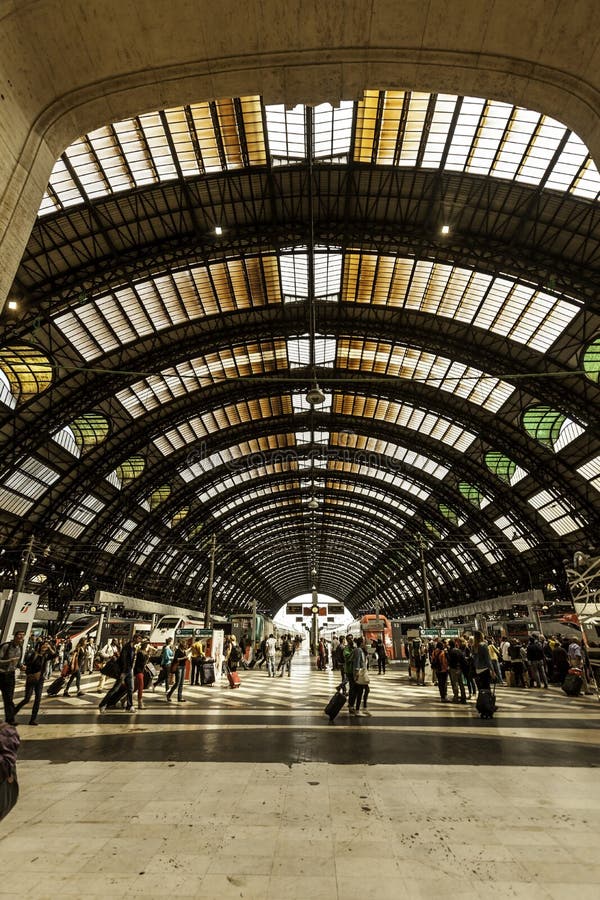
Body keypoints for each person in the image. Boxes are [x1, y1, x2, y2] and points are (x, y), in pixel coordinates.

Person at [14, 637, 58, 725]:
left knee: (38, 699)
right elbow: (27, 667)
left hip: (40, 680)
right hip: (32, 679)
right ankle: (12, 714)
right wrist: (32, 673)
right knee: (27, 699)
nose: (46, 646)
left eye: (47, 645)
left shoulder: (45, 656)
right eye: (44, 645)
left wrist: (49, 648)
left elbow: (55, 655)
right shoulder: (34, 655)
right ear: (40, 646)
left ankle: (32, 720)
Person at [0, 631, 25, 724]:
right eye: (19, 635)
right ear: (15, 636)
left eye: (23, 636)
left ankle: (10, 719)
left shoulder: (20, 648)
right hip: (1, 674)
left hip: (10, 675)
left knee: (9, 698)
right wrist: (9, 660)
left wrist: (21, 666)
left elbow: (17, 663)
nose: (21, 637)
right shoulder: (6, 646)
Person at [351, 637, 368, 716]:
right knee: (360, 691)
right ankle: (358, 710)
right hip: (360, 673)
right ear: (361, 643)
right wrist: (357, 673)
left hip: (362, 672)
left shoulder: (360, 650)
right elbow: (357, 662)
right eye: (364, 642)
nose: (365, 643)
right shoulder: (358, 650)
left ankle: (363, 708)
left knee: (365, 690)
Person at [447, 639, 467, 703]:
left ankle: (456, 697)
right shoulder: (459, 651)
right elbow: (463, 660)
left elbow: (449, 660)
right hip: (459, 669)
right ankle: (463, 697)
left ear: (450, 645)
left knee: (455, 683)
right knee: (461, 683)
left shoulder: (450, 651)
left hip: (453, 669)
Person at [133, 638, 151, 709]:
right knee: (140, 686)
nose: (147, 645)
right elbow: (142, 663)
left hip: (141, 671)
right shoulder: (140, 652)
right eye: (146, 644)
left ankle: (124, 699)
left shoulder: (144, 652)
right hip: (138, 671)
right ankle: (140, 703)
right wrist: (147, 657)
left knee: (136, 687)